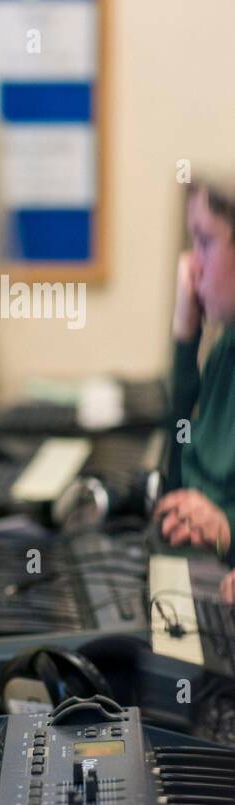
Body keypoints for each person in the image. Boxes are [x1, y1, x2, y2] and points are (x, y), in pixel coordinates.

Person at [156, 176, 235, 559]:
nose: (191, 266)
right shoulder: (226, 346)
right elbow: (178, 481)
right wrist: (186, 339)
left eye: (205, 243)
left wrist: (227, 528)